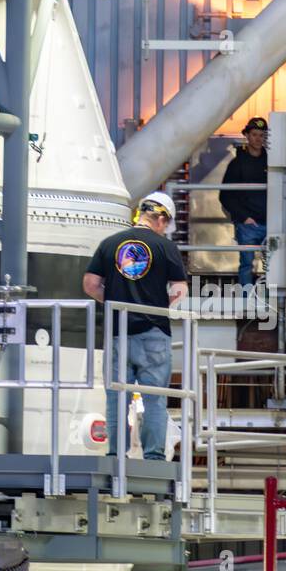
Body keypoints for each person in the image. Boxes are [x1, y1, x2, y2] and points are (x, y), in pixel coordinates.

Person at [83, 192, 188, 462]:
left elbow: (91, 284)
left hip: (118, 333)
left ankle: (115, 455)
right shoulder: (165, 247)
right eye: (166, 223)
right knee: (154, 398)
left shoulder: (110, 244)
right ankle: (152, 456)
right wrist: (159, 304)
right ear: (161, 219)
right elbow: (179, 289)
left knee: (117, 398)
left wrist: (115, 302)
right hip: (154, 333)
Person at [219, 117, 268, 290]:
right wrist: (244, 217)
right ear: (246, 135)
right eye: (254, 134)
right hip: (248, 224)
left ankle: (273, 305)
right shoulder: (237, 164)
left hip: (272, 224)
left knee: (274, 268)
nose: (258, 139)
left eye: (262, 135)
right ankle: (246, 305)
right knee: (246, 266)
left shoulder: (273, 162)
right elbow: (225, 195)